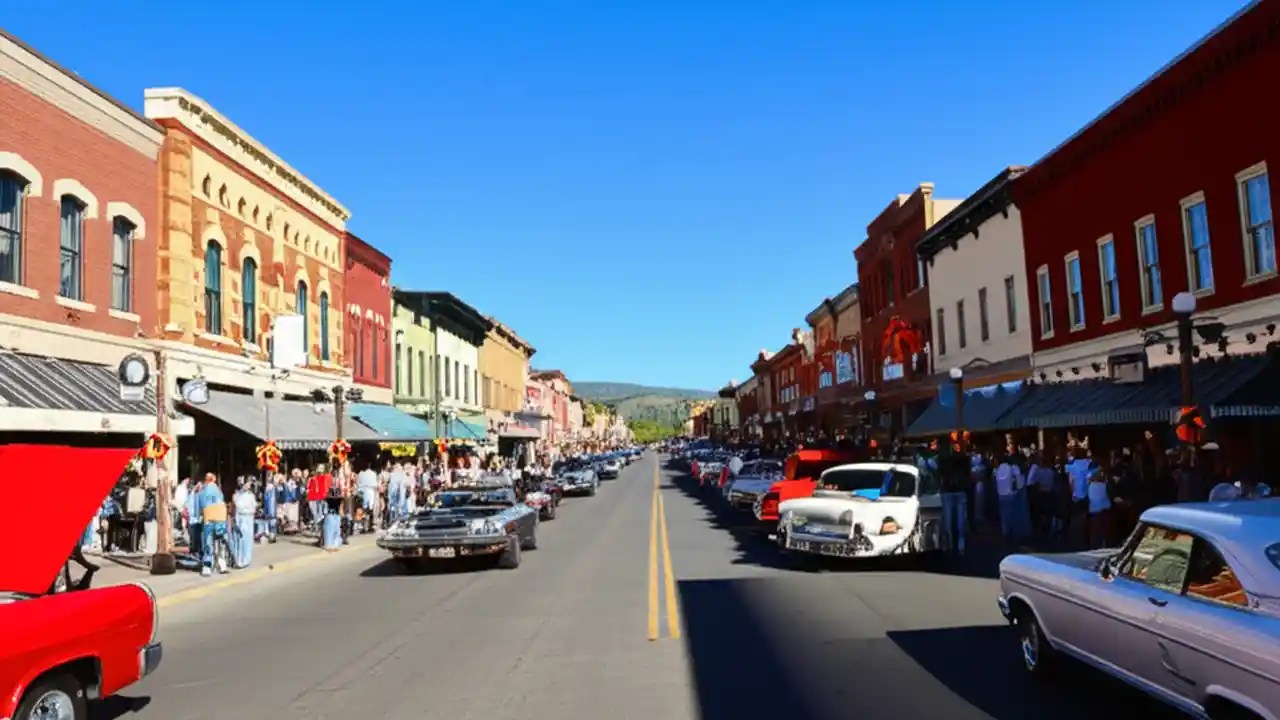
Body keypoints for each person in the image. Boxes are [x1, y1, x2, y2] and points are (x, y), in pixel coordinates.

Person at [196, 473, 229, 577]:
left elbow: (200, 507)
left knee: (208, 543)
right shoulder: (219, 491)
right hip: (220, 519)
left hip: (209, 519)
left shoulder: (202, 492)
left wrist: (199, 516)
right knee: (221, 542)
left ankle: (207, 566)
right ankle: (222, 565)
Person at [231, 479, 256, 568]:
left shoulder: (250, 495)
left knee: (246, 538)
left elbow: (253, 507)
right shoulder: (237, 495)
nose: (248, 486)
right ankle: (239, 559)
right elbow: (237, 506)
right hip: (241, 518)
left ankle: (245, 559)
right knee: (239, 539)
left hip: (247, 518)